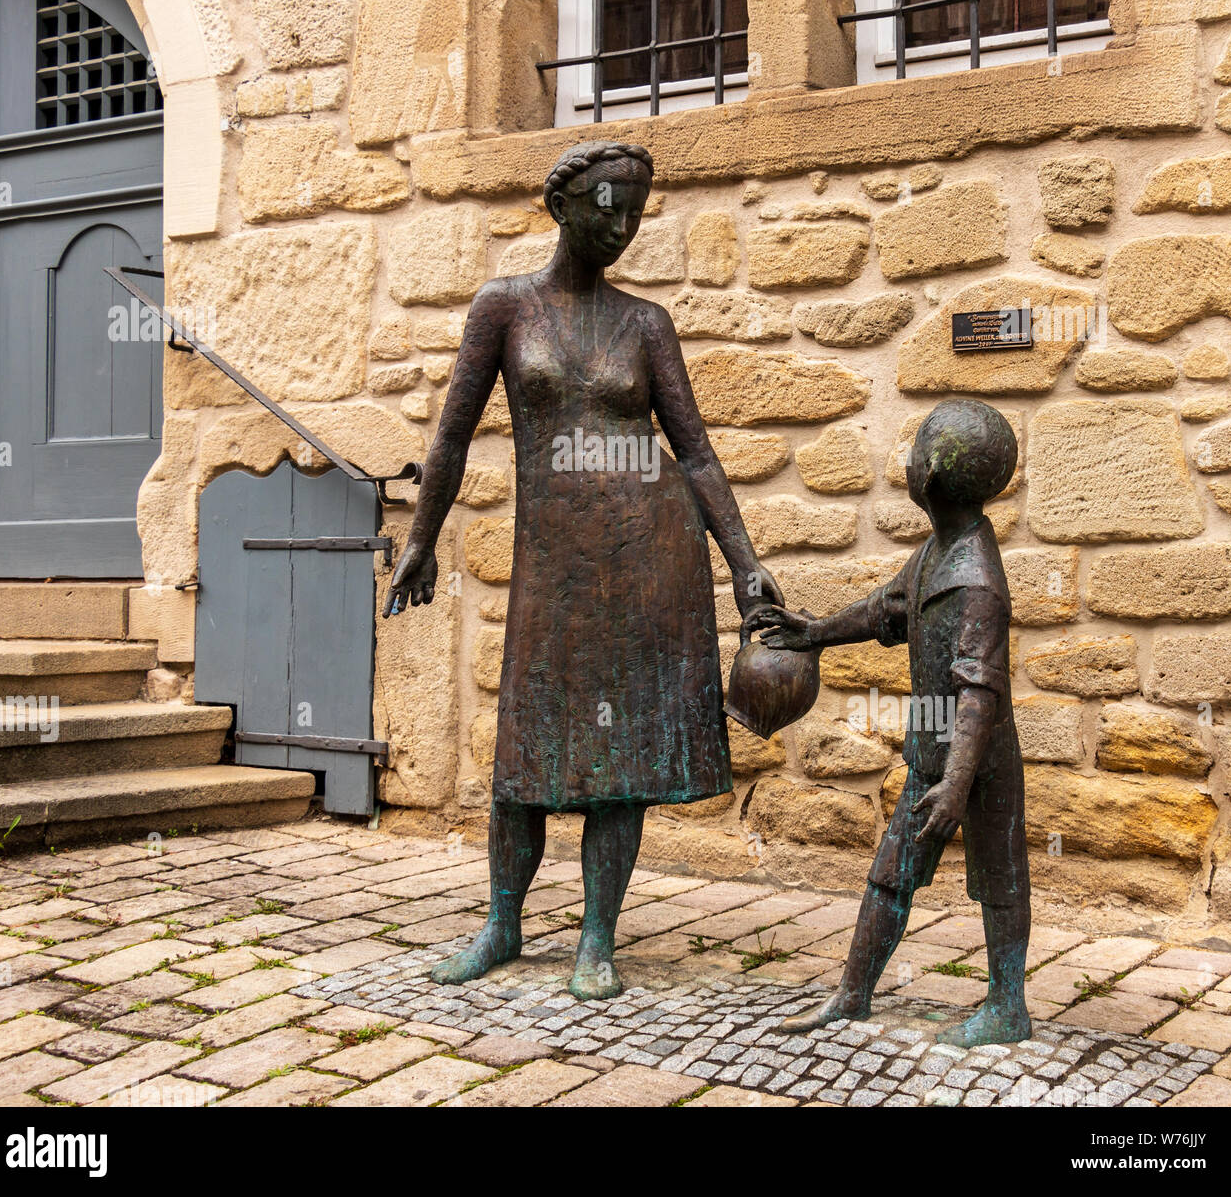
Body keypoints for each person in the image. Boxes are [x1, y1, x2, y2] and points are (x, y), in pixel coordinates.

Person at [385, 141, 782, 1001]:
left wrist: (745, 565)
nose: (620, 224)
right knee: (526, 752)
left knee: (624, 757)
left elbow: (699, 454)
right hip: (550, 562)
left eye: (634, 211)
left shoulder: (646, 324)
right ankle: (501, 922)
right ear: (560, 204)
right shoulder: (504, 308)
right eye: (606, 203)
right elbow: (451, 436)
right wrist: (422, 538)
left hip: (647, 561)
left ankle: (596, 937)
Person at [747, 399, 1031, 1048]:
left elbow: (979, 693)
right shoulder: (939, 551)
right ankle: (852, 995)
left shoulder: (975, 579)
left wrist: (958, 786)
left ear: (928, 478)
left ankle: (1008, 1005)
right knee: (891, 872)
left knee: (1000, 877)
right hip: (935, 754)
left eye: (916, 448)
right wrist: (815, 633)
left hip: (977, 761)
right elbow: (886, 610)